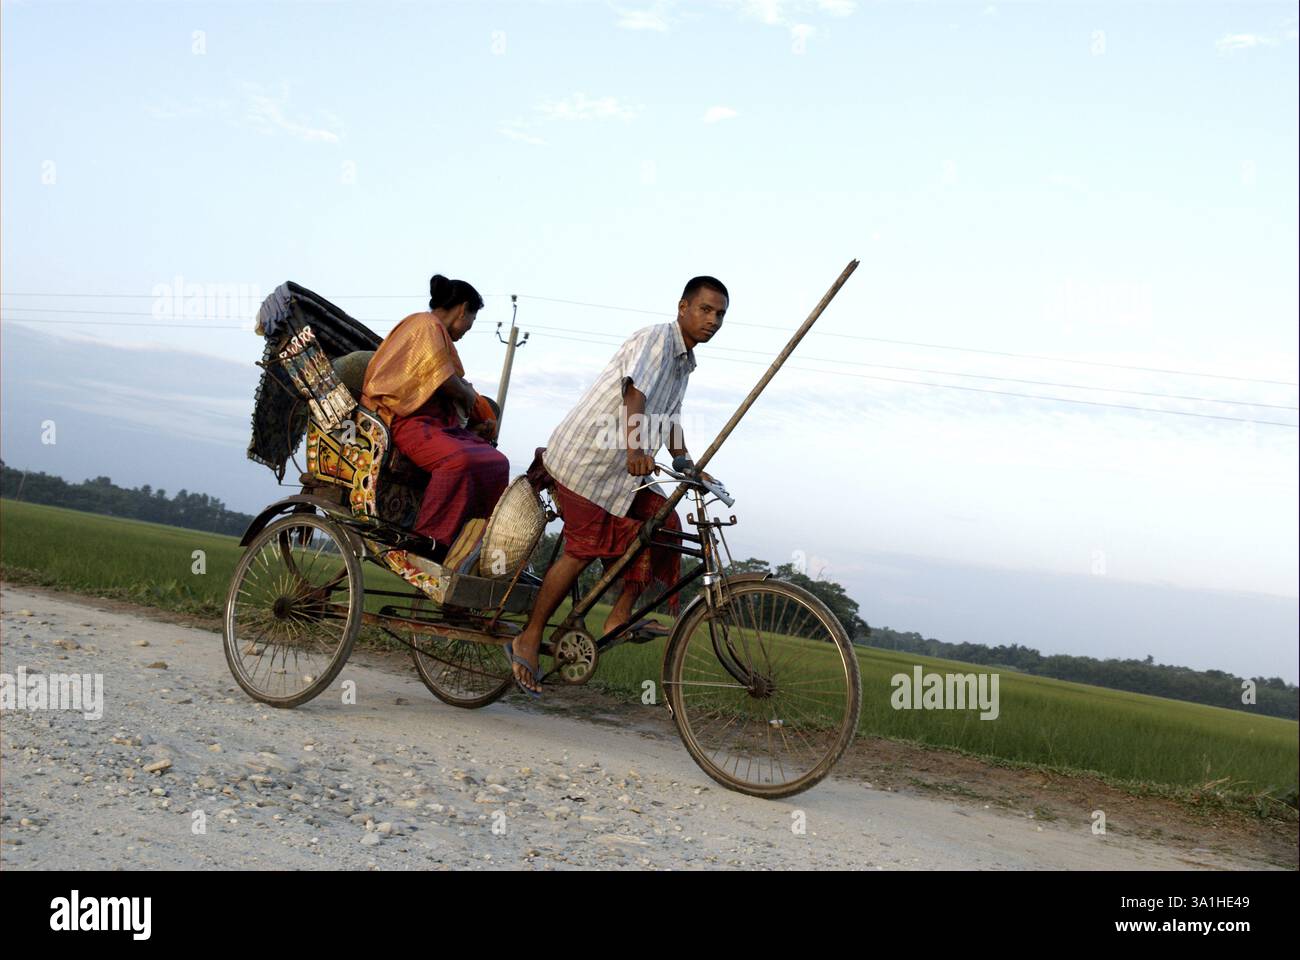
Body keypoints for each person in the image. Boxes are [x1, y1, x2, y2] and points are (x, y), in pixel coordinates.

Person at [507, 276, 728, 696]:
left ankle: (617, 616)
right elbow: (635, 396)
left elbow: (671, 419)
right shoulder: (658, 340)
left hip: (623, 472)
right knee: (583, 549)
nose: (712, 320)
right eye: (705, 309)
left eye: (720, 314)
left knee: (662, 525)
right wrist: (632, 450)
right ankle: (529, 636)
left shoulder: (685, 363)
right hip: (587, 460)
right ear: (683, 307)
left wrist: (686, 463)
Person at [360, 274, 508, 557]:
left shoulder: (433, 331)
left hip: (434, 426)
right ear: (463, 309)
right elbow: (440, 378)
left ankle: (476, 546)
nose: (467, 330)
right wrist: (466, 396)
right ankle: (431, 541)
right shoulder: (425, 325)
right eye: (471, 322)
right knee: (459, 460)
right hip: (404, 420)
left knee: (496, 462)